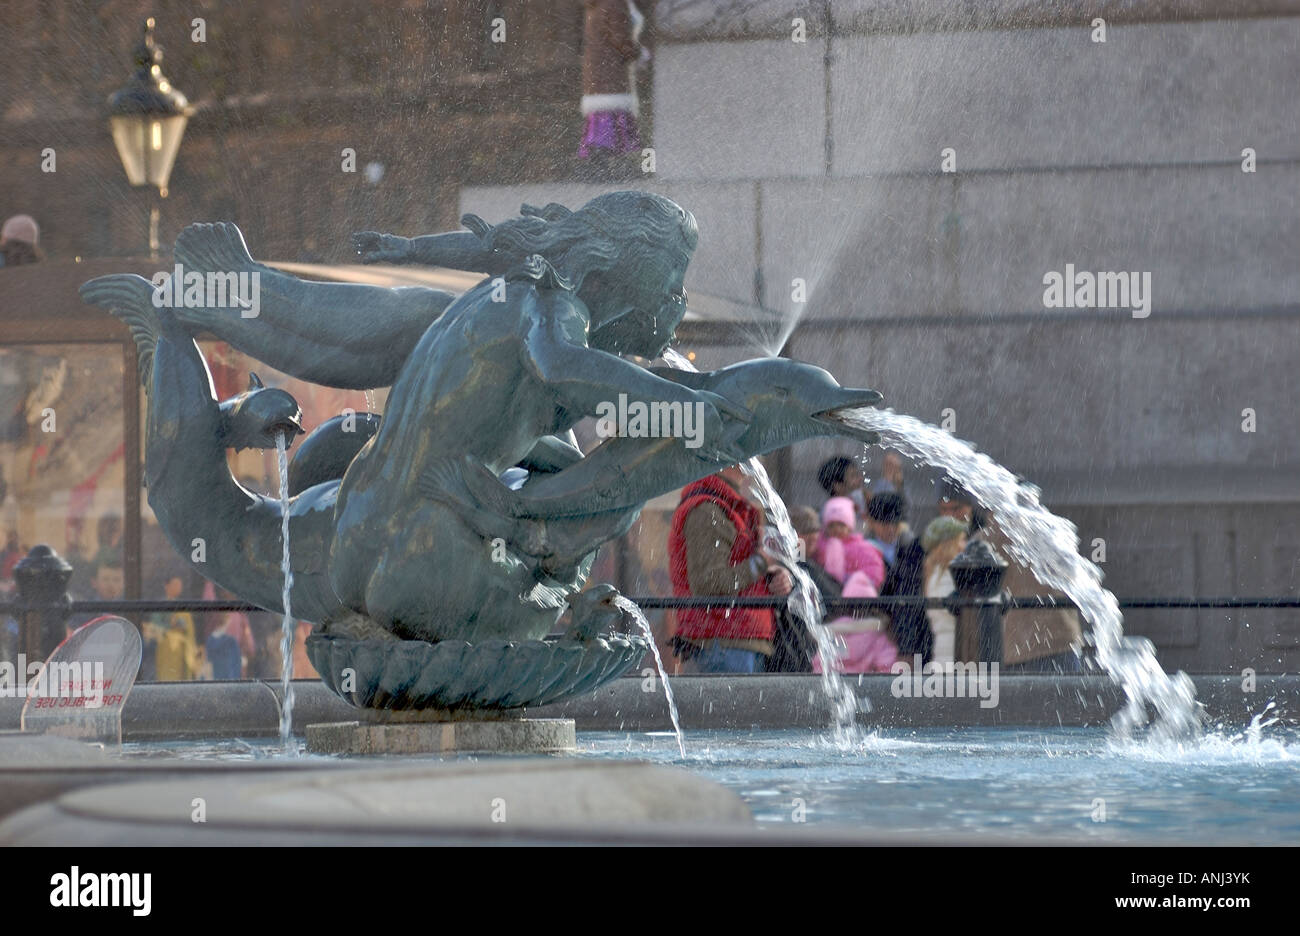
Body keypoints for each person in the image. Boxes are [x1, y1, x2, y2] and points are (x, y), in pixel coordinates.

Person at [668, 464, 793, 673]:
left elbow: (731, 572)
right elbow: (710, 582)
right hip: (725, 640)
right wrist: (761, 563)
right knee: (733, 706)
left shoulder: (728, 507)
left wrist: (773, 577)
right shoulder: (708, 510)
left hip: (737, 639)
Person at [969, 506, 1084, 672]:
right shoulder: (1052, 528)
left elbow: (971, 586)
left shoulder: (985, 539)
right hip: (1063, 636)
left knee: (1025, 696)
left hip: (1020, 644)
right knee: (1067, 696)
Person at [578, 0, 649, 174]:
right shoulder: (615, 3)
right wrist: (640, 54)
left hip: (598, 72)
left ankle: (598, 167)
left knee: (601, 121)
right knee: (612, 120)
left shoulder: (597, 4)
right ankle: (608, 169)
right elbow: (619, 37)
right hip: (611, 71)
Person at [768, 506, 838, 673]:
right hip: (792, 646)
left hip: (798, 646)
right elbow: (832, 598)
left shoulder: (804, 564)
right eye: (806, 533)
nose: (812, 537)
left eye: (814, 533)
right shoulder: (794, 566)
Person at [866, 492, 930, 662]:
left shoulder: (912, 547)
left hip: (911, 620)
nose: (890, 529)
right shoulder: (863, 549)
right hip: (878, 617)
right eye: (884, 523)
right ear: (871, 522)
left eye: (895, 523)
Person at [921, 515, 968, 665]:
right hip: (954, 651)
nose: (964, 545)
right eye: (960, 540)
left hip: (944, 649)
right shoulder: (949, 575)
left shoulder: (934, 573)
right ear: (948, 544)